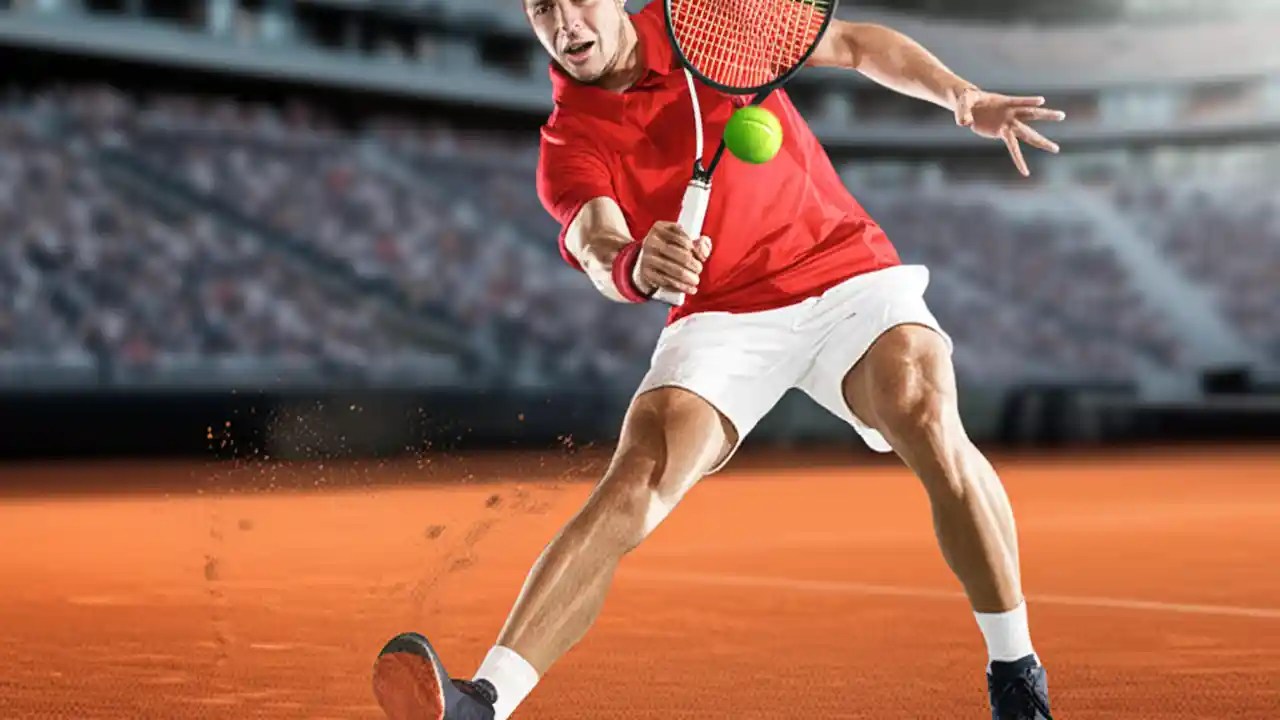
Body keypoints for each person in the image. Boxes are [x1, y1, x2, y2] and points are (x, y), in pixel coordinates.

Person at [372, 1, 1065, 718]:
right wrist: (636, 266)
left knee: (919, 404)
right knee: (641, 469)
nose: (564, 20)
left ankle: (1015, 675)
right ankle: (484, 701)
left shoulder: (706, 21)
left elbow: (857, 45)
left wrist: (961, 95)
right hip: (721, 313)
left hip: (842, 270)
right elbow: (594, 239)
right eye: (542, 5)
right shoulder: (567, 139)